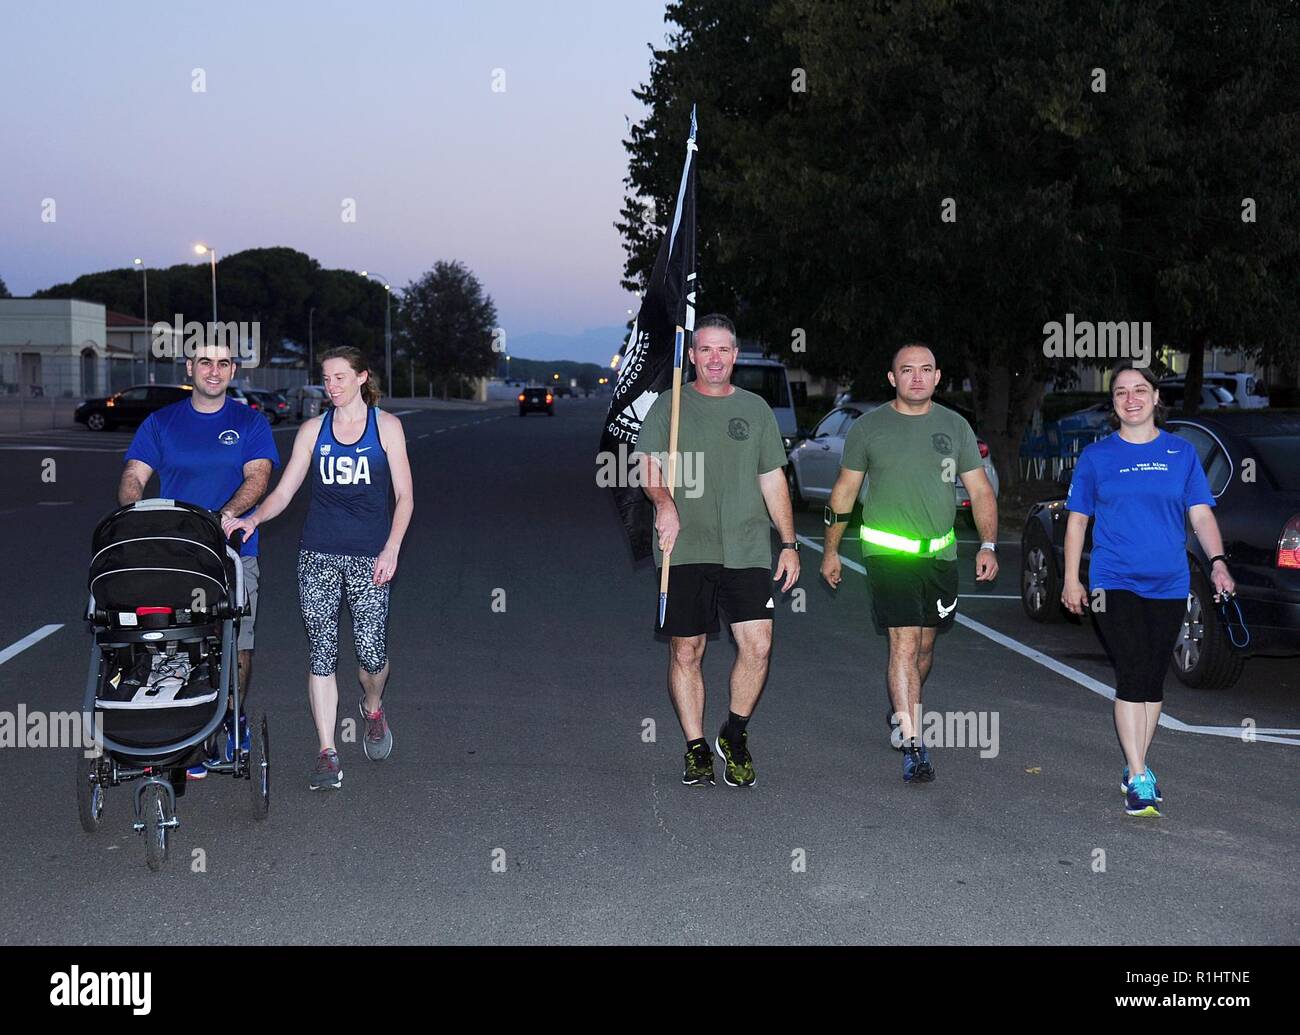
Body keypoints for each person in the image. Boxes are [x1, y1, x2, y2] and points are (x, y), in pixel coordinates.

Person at [227, 346, 413, 791]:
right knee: (322, 652)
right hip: (319, 555)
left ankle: (372, 707)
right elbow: (285, 491)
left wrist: (391, 549)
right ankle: (327, 751)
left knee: (371, 656)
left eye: (340, 377)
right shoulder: (313, 430)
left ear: (362, 377)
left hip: (371, 555)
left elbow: (405, 497)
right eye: (326, 378)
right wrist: (252, 518)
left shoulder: (386, 427)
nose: (331, 386)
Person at [634, 314, 800, 788]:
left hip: (746, 546)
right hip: (684, 545)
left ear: (735, 355)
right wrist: (663, 502)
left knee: (758, 645)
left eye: (724, 350)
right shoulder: (671, 405)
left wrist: (788, 543)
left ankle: (734, 733)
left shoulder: (756, 409)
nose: (714, 358)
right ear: (691, 355)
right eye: (705, 349)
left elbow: (773, 479)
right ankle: (695, 748)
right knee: (688, 649)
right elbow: (648, 466)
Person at [820, 343, 998, 783]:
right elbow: (844, 491)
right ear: (891, 377)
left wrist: (989, 545)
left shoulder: (954, 427)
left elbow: (979, 492)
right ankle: (914, 744)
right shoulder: (869, 428)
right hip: (888, 554)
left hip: (939, 555)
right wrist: (830, 549)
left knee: (924, 647)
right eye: (907, 370)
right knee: (902, 643)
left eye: (925, 370)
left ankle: (903, 705)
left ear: (938, 377)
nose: (916, 377)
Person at [1061, 361, 1233, 817]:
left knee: (1153, 678)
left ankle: (1137, 762)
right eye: (1120, 392)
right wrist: (1070, 578)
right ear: (1113, 404)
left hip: (1170, 582)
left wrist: (1217, 564)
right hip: (1113, 581)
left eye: (1140, 390)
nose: (1131, 398)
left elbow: (1201, 516)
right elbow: (1078, 521)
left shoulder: (1182, 455)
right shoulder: (1097, 458)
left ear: (1157, 398)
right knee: (1132, 670)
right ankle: (1138, 773)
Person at [118, 342, 279, 777]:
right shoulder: (160, 422)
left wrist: (221, 517)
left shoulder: (250, 422)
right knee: (180, 641)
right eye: (204, 361)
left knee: (236, 645)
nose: (214, 371)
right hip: (173, 556)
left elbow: (258, 476)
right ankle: (190, 728)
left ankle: (230, 716)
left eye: (223, 363)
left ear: (233, 371)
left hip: (233, 552)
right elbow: (134, 475)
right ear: (189, 367)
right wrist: (137, 513)